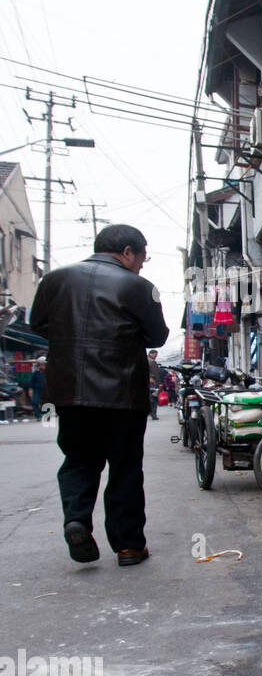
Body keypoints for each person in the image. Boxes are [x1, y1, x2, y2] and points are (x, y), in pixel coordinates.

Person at [29, 224, 169, 567]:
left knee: (78, 461)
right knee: (124, 467)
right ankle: (129, 547)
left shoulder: (54, 280)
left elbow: (38, 324)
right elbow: (158, 336)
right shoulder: (140, 287)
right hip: (122, 393)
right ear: (126, 252)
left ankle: (76, 520)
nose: (142, 264)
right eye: (142, 256)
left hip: (70, 392)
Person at [27, 356, 46, 421]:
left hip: (46, 391)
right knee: (35, 402)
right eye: (41, 364)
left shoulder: (48, 373)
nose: (42, 366)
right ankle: (38, 416)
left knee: (47, 403)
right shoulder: (35, 373)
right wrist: (30, 390)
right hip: (37, 390)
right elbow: (31, 383)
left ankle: (47, 416)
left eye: (43, 364)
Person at [146, 349, 162, 420]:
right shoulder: (152, 362)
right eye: (155, 355)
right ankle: (153, 414)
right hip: (152, 382)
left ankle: (150, 412)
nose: (156, 356)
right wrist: (159, 383)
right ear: (151, 354)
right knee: (154, 398)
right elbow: (156, 374)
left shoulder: (144, 360)